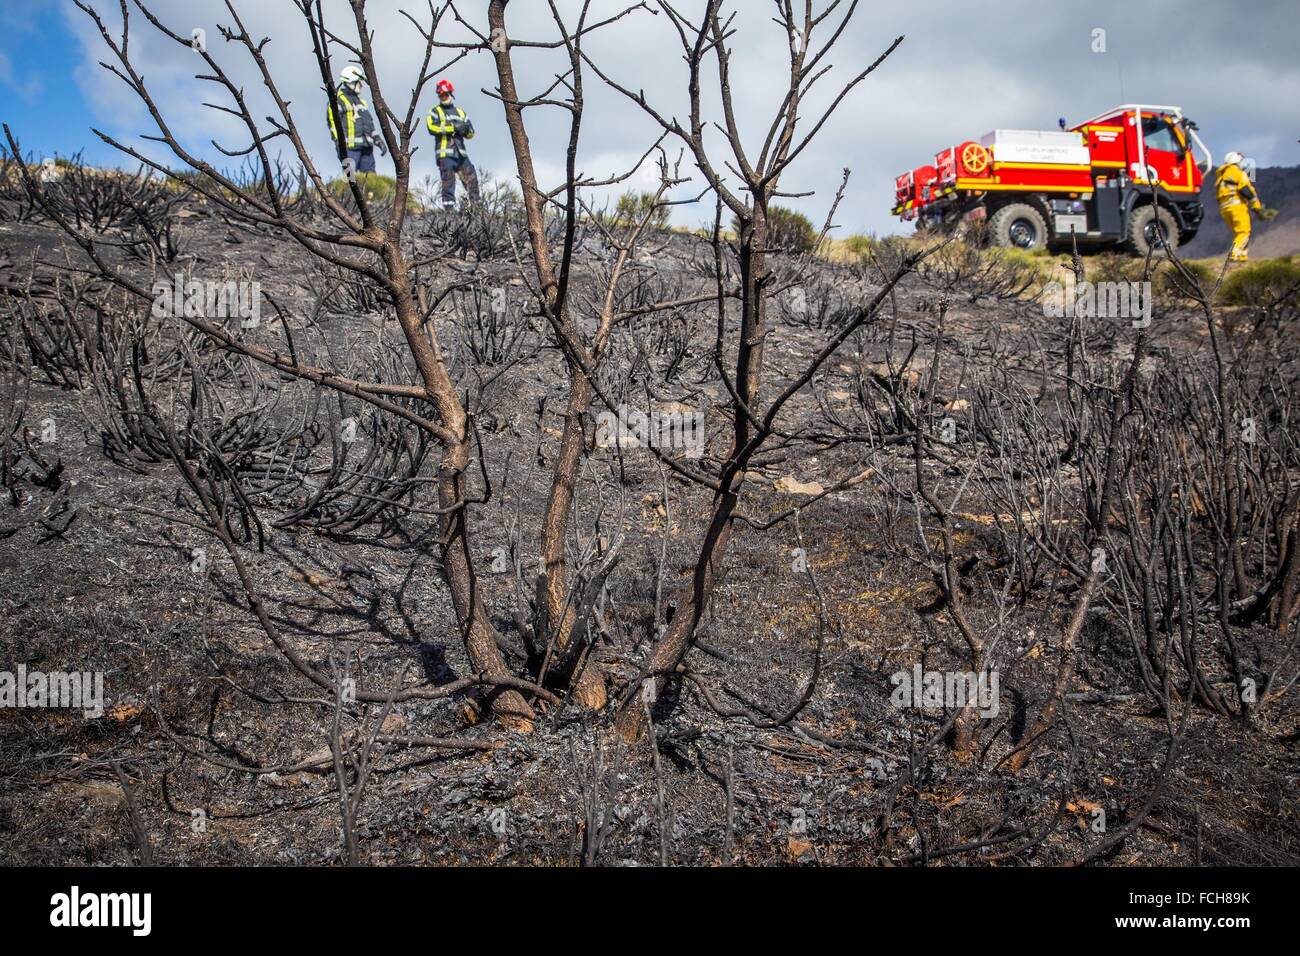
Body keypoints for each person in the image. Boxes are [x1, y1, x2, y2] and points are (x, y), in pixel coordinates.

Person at [426, 79, 480, 209]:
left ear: (450, 93)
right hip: (445, 154)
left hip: (461, 153)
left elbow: (471, 133)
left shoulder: (460, 112)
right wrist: (453, 127)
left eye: (445, 94)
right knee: (448, 183)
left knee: (471, 178)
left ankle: (476, 208)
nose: (443, 97)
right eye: (440, 95)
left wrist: (465, 129)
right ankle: (449, 212)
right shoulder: (435, 111)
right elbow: (431, 127)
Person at [1215, 150, 1277, 262]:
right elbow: (1246, 190)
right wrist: (1257, 208)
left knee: (1238, 233)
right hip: (1237, 207)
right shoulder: (1238, 173)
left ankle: (1242, 256)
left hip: (1225, 210)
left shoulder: (1222, 177)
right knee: (1244, 232)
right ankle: (1234, 255)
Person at [327, 64, 385, 173]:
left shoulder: (362, 103)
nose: (362, 85)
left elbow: (369, 125)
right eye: (359, 82)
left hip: (367, 148)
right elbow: (333, 125)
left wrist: (378, 140)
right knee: (350, 180)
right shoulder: (338, 101)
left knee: (370, 181)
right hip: (350, 149)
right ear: (351, 82)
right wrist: (340, 144)